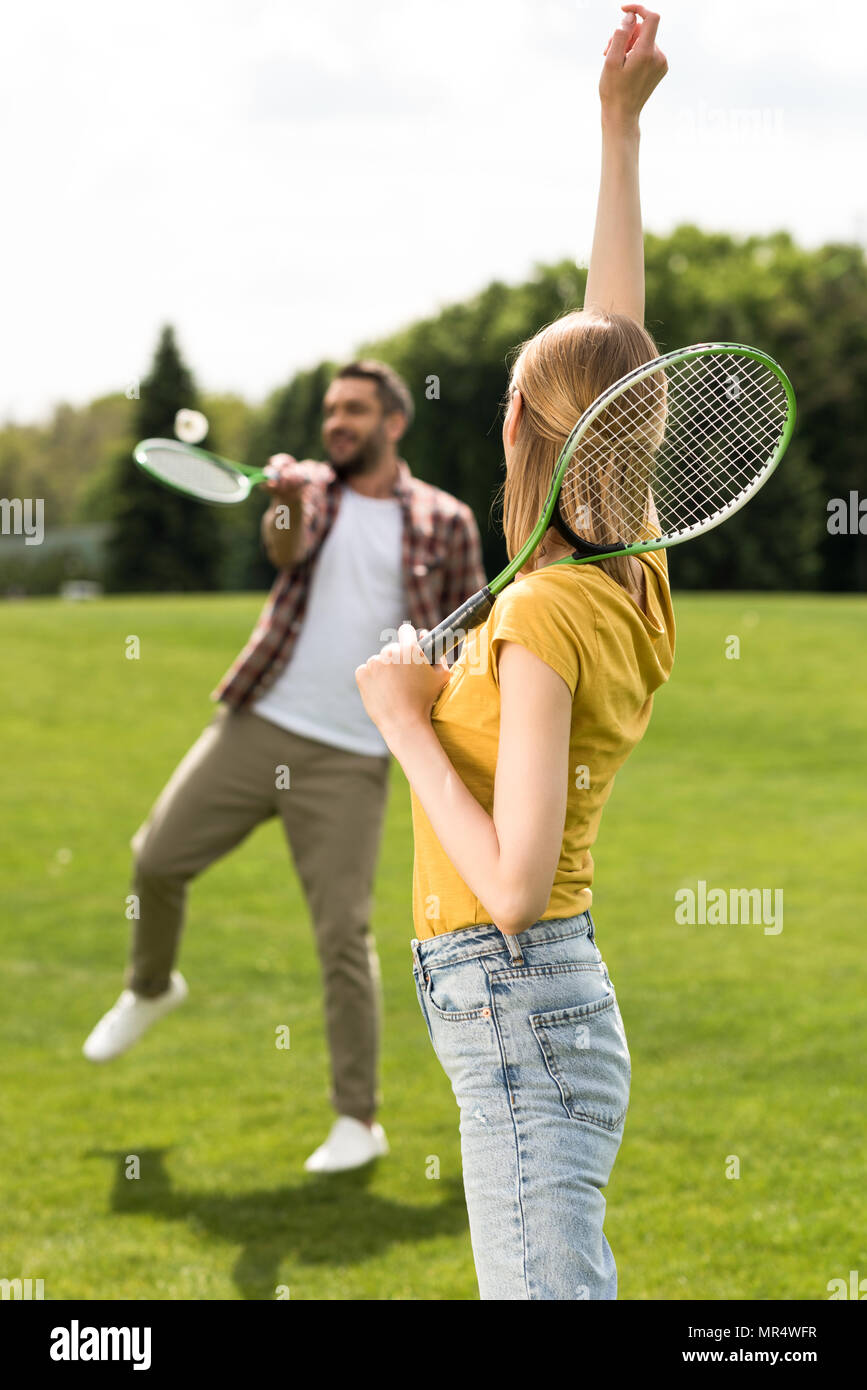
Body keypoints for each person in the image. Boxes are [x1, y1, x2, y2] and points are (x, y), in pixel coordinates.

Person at [355, 7, 671, 1297]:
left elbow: (515, 880)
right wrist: (616, 131)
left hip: (520, 1002)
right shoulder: (627, 560)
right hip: (530, 1014)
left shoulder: (542, 614)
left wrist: (404, 722)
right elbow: (617, 344)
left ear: (520, 436)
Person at [82, 359, 486, 1174]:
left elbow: (470, 631)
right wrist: (283, 504)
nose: (335, 422)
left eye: (353, 411)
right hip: (259, 724)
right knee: (154, 859)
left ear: (392, 423)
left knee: (343, 935)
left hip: (353, 756)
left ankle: (357, 1122)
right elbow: (282, 553)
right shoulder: (312, 493)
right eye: (331, 410)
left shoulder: (444, 519)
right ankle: (152, 985)